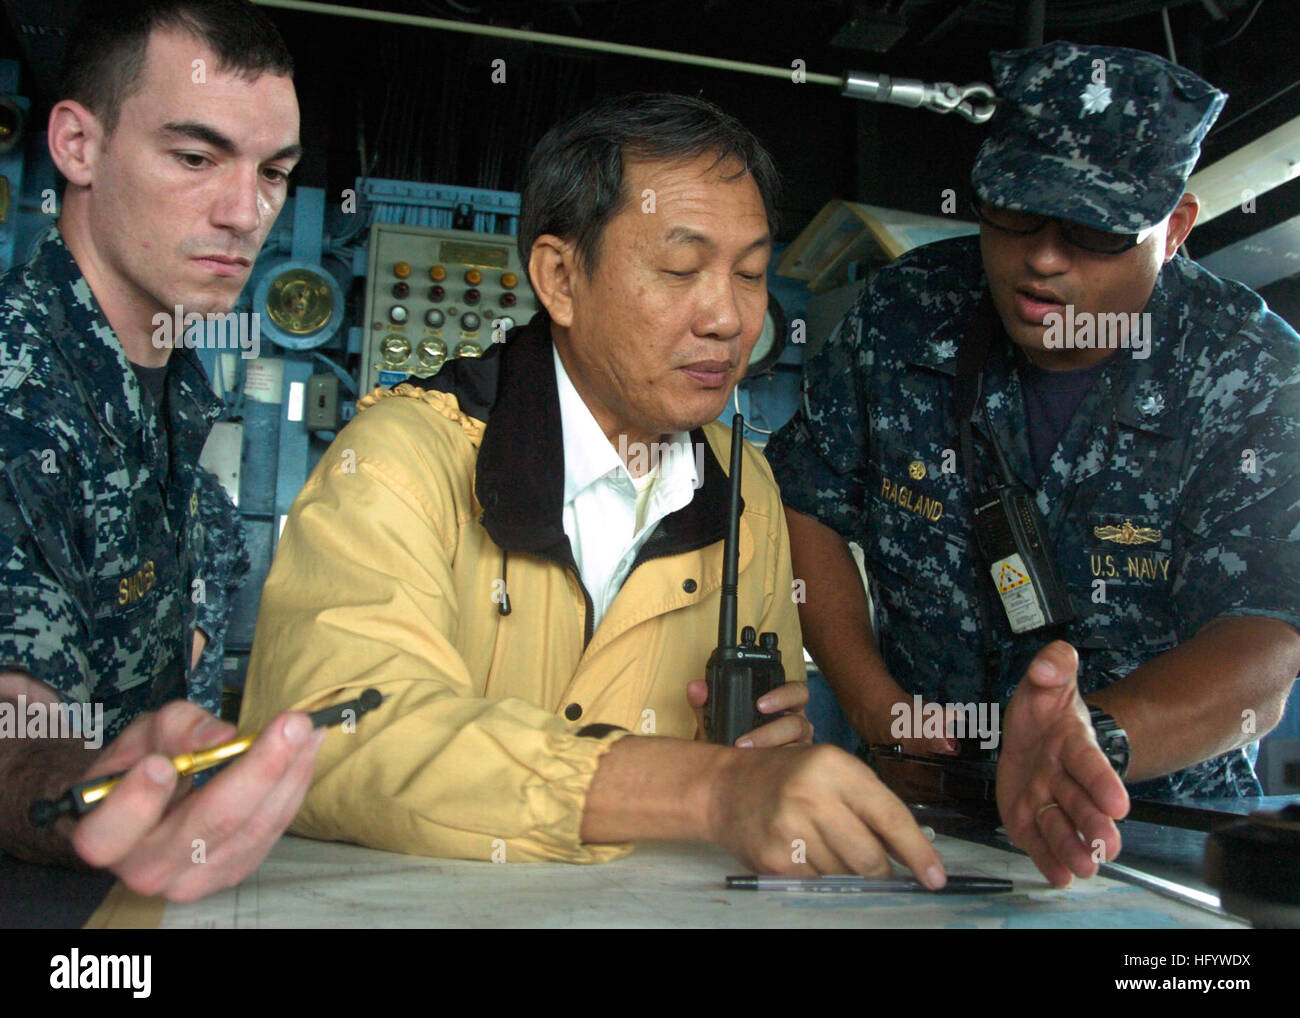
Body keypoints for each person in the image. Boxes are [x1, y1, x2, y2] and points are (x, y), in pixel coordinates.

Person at [240, 93, 946, 885]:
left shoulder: (745, 483)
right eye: (680, 270)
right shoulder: (401, 460)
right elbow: (333, 739)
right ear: (561, 277)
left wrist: (765, 758)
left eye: (750, 273)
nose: (729, 317)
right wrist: (708, 789)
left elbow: (761, 743)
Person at [766, 41, 1300, 887]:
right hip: (921, 809)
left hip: (1144, 827)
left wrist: (1087, 743)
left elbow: (1268, 638)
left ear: (1178, 227)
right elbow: (807, 503)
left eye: (1093, 229)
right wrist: (874, 704)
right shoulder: (902, 315)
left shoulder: (1254, 373)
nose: (1044, 259)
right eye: (1015, 212)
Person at [0, 0, 323, 903]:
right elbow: (14, 734)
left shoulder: (182, 388)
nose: (244, 212)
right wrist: (90, 791)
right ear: (77, 146)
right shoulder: (15, 387)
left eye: (276, 172)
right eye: (195, 157)